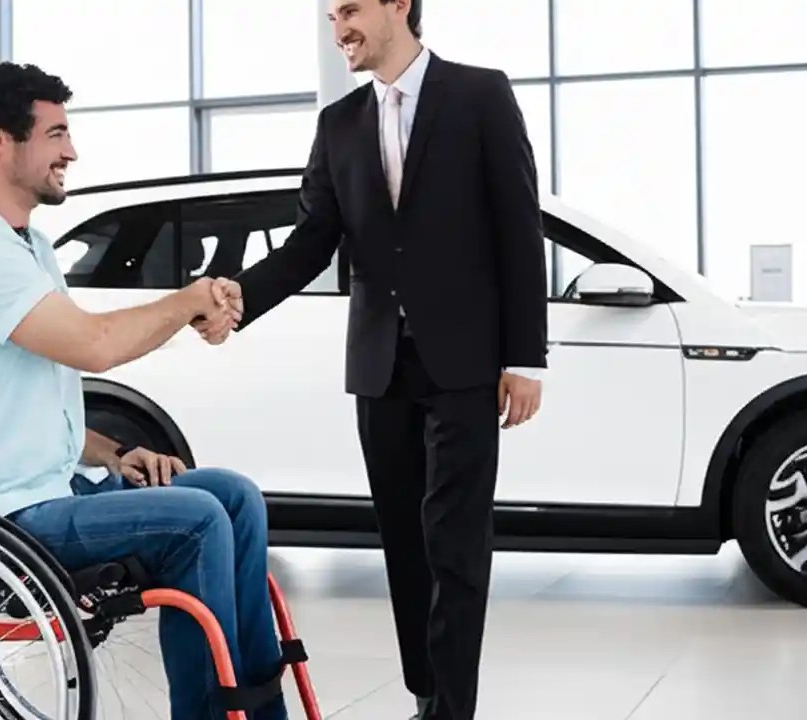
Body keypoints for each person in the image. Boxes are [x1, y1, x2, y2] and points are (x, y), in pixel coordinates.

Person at [0, 61, 288, 720]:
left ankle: (253, 707)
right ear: (1, 140)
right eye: (55, 134)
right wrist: (193, 298)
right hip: (0, 517)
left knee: (233, 495)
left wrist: (112, 454)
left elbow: (31, 396)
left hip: (46, 489)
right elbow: (94, 345)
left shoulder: (28, 244)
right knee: (195, 522)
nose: (71, 151)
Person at [199, 1, 548, 718]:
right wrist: (238, 301)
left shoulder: (481, 95)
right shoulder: (339, 124)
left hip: (466, 363)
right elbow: (310, 240)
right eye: (331, 18)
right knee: (404, 543)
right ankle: (425, 690)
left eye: (350, 11)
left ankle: (452, 709)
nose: (339, 30)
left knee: (455, 545)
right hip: (380, 365)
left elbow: (519, 228)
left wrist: (525, 356)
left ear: (399, 4)